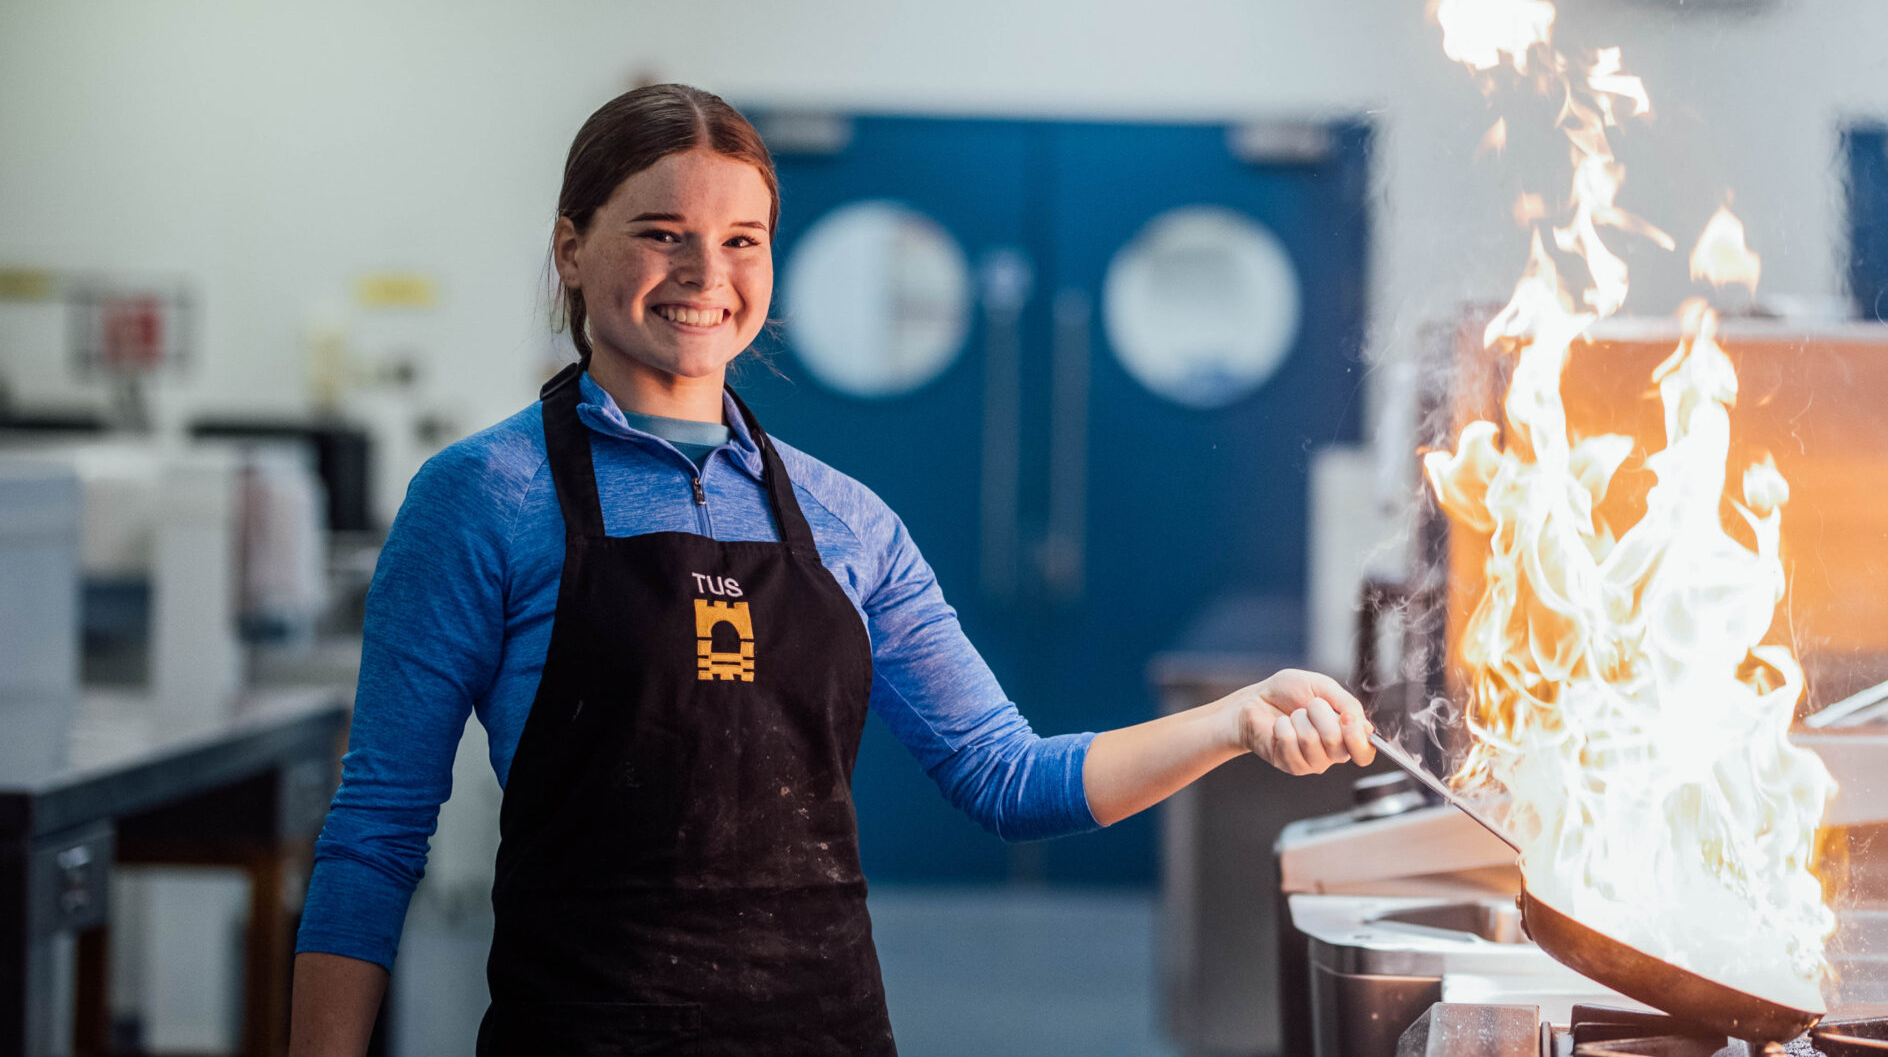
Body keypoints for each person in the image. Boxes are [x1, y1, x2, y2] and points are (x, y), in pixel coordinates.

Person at [290, 84, 1374, 1057]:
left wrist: (1233, 720)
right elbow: (376, 833)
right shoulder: (483, 497)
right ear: (572, 249)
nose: (705, 275)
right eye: (662, 234)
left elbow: (1008, 777)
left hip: (824, 1027)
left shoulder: (846, 520)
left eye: (743, 240)